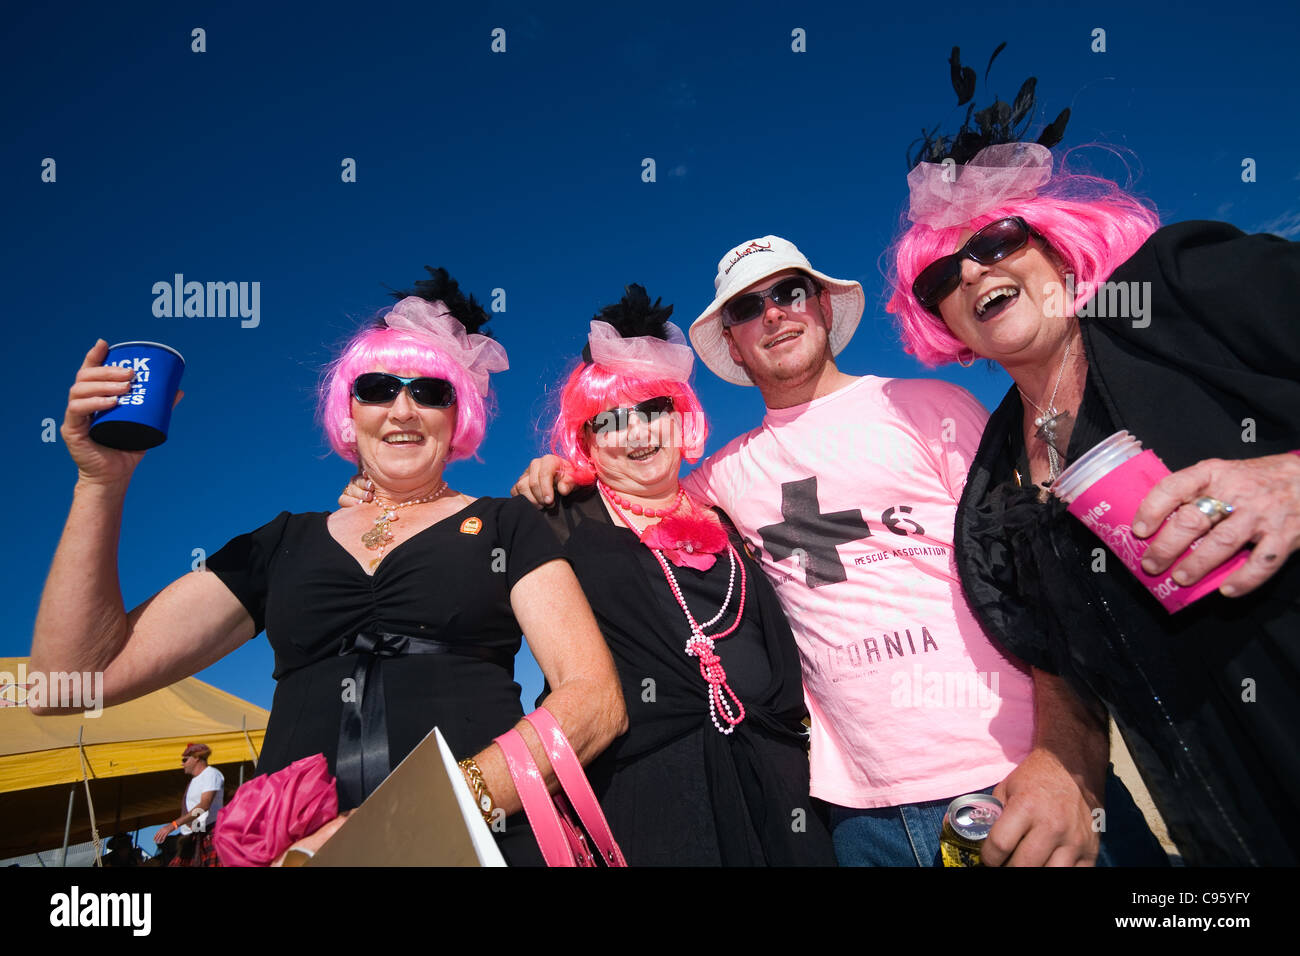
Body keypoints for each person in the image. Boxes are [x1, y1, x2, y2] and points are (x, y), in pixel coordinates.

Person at [515, 240, 1165, 866]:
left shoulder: (932, 407)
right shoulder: (718, 483)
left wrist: (1065, 759)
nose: (773, 313)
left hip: (1018, 776)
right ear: (734, 349)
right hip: (858, 822)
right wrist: (564, 474)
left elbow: (1044, 586)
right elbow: (634, 492)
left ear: (823, 307)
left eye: (790, 292)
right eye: (746, 309)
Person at [30, 268, 625, 866]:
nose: (403, 409)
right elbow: (67, 682)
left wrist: (414, 813)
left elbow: (595, 701)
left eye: (430, 391)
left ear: (458, 412)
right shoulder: (282, 540)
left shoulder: (506, 524)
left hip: (477, 846)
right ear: (350, 406)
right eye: (377, 387)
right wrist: (99, 483)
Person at [886, 139, 1300, 865]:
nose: (975, 269)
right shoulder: (993, 486)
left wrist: (1291, 479)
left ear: (1059, 246)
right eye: (943, 276)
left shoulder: (1179, 295)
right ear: (944, 326)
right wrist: (1059, 762)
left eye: (997, 238)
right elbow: (1065, 662)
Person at [538, 286, 836, 865]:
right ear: (586, 441)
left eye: (654, 411)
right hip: (649, 799)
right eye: (611, 420)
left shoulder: (728, 510)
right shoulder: (554, 521)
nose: (639, 432)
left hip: (784, 785)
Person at [152, 742, 225, 866]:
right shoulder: (194, 781)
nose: (182, 763)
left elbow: (204, 806)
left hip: (209, 833)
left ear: (196, 758)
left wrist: (173, 825)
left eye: (185, 760)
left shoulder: (211, 774)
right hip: (193, 836)